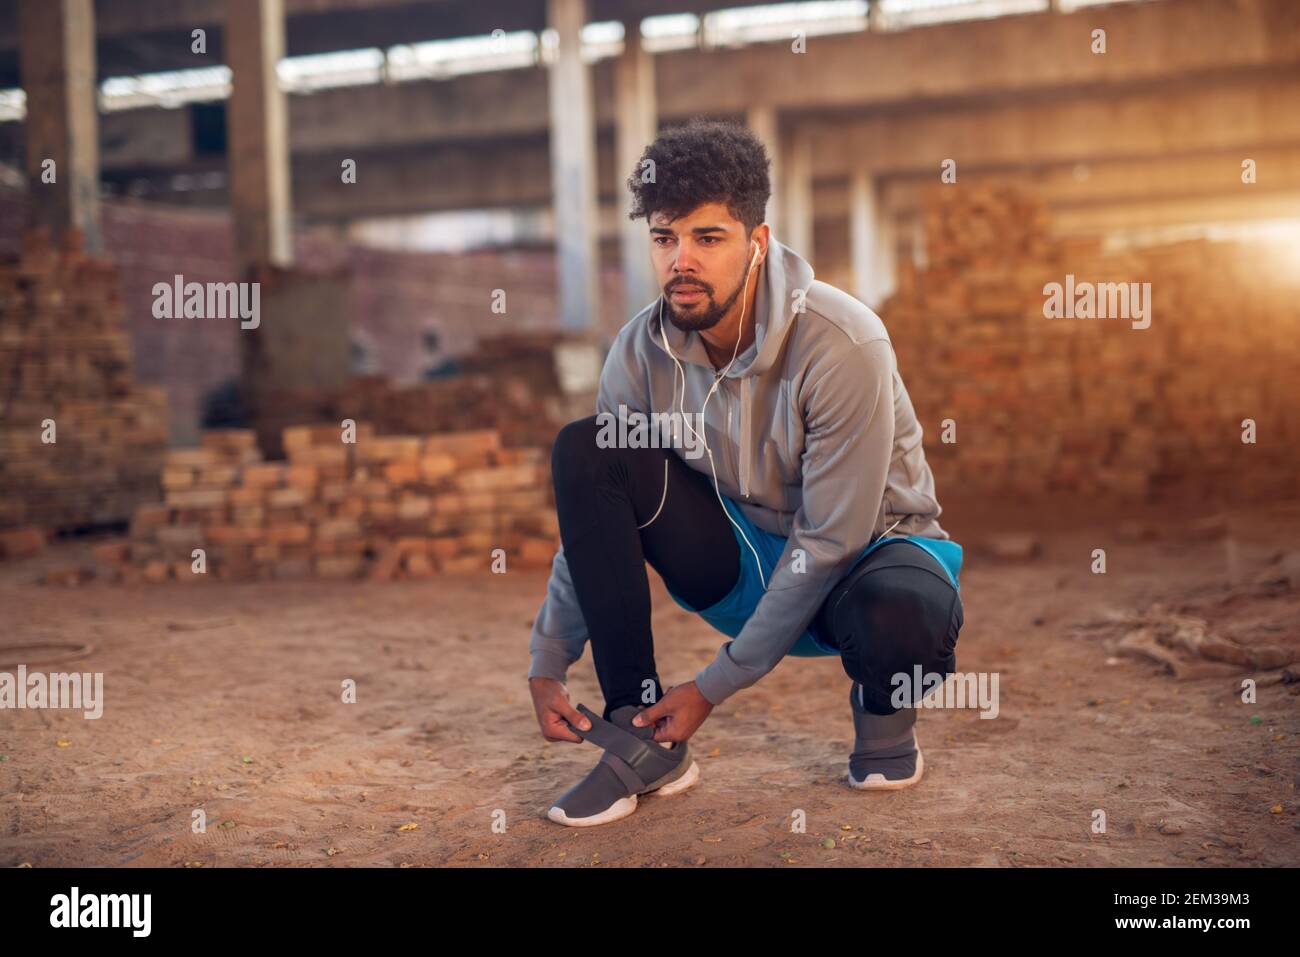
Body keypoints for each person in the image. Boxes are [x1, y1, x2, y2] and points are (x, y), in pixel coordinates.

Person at [527, 118, 964, 827]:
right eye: (664, 238)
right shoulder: (639, 352)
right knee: (588, 448)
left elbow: (830, 540)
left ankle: (885, 713)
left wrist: (712, 686)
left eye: (708, 238)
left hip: (862, 565)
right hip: (740, 561)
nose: (681, 261)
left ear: (757, 241)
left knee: (903, 611)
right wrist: (548, 658)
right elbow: (592, 516)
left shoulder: (843, 341)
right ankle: (640, 735)